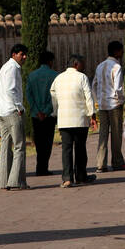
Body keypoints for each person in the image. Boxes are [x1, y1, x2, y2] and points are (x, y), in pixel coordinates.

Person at [50, 53, 97, 187]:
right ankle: (81, 177)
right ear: (76, 64)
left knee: (67, 149)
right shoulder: (82, 77)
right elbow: (89, 97)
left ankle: (67, 178)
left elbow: (53, 95)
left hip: (64, 119)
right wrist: (92, 115)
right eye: (83, 63)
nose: (84, 66)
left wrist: (55, 112)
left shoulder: (58, 78)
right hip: (79, 119)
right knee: (80, 148)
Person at [93, 41, 125, 172]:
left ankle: (100, 164)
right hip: (114, 104)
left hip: (102, 105)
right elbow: (118, 88)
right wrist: (121, 101)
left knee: (103, 134)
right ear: (116, 52)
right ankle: (117, 162)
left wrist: (98, 100)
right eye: (121, 50)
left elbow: (94, 85)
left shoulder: (100, 66)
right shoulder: (116, 67)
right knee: (116, 134)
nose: (122, 52)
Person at [0, 43, 28, 190]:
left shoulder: (5, 67)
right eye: (22, 54)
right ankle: (16, 181)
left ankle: (4, 181)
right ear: (14, 54)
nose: (24, 57)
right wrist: (19, 107)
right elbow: (11, 90)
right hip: (11, 112)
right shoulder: (12, 68)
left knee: (5, 146)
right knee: (19, 146)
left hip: (2, 111)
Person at [25, 50, 59, 177]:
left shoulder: (32, 75)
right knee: (48, 141)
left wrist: (37, 110)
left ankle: (40, 167)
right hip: (49, 115)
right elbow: (55, 97)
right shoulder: (55, 75)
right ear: (50, 62)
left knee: (39, 141)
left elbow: (29, 95)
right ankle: (44, 167)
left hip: (36, 115)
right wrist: (46, 111)